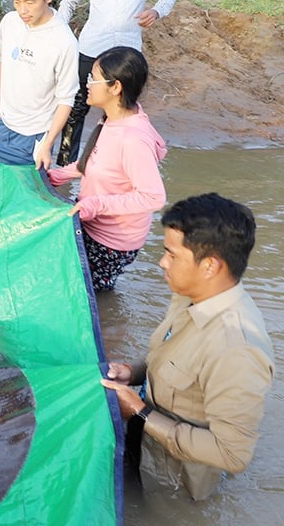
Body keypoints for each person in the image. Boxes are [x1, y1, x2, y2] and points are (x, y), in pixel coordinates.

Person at [101, 193, 274, 502]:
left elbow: (232, 454)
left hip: (172, 482)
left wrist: (140, 413)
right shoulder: (191, 294)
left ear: (209, 266)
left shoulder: (237, 349)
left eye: (172, 255)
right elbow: (172, 355)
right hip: (144, 446)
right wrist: (132, 372)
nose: (162, 262)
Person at [48, 47, 166, 291]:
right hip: (90, 222)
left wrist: (95, 205)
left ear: (115, 87)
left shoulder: (133, 139)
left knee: (83, 294)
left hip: (111, 242)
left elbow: (153, 197)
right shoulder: (113, 118)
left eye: (93, 78)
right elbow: (99, 161)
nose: (87, 83)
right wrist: (59, 175)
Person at [0, 0, 78, 186]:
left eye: (30, 2)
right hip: (1, 121)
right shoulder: (10, 21)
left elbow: (66, 99)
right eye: (17, 2)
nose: (23, 10)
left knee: (19, 192)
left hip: (32, 134)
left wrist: (48, 144)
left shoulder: (64, 41)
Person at [54, 0, 177, 166]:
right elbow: (69, 2)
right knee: (77, 108)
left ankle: (111, 165)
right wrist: (59, 31)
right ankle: (65, 165)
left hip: (127, 53)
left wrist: (157, 11)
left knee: (122, 110)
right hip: (92, 48)